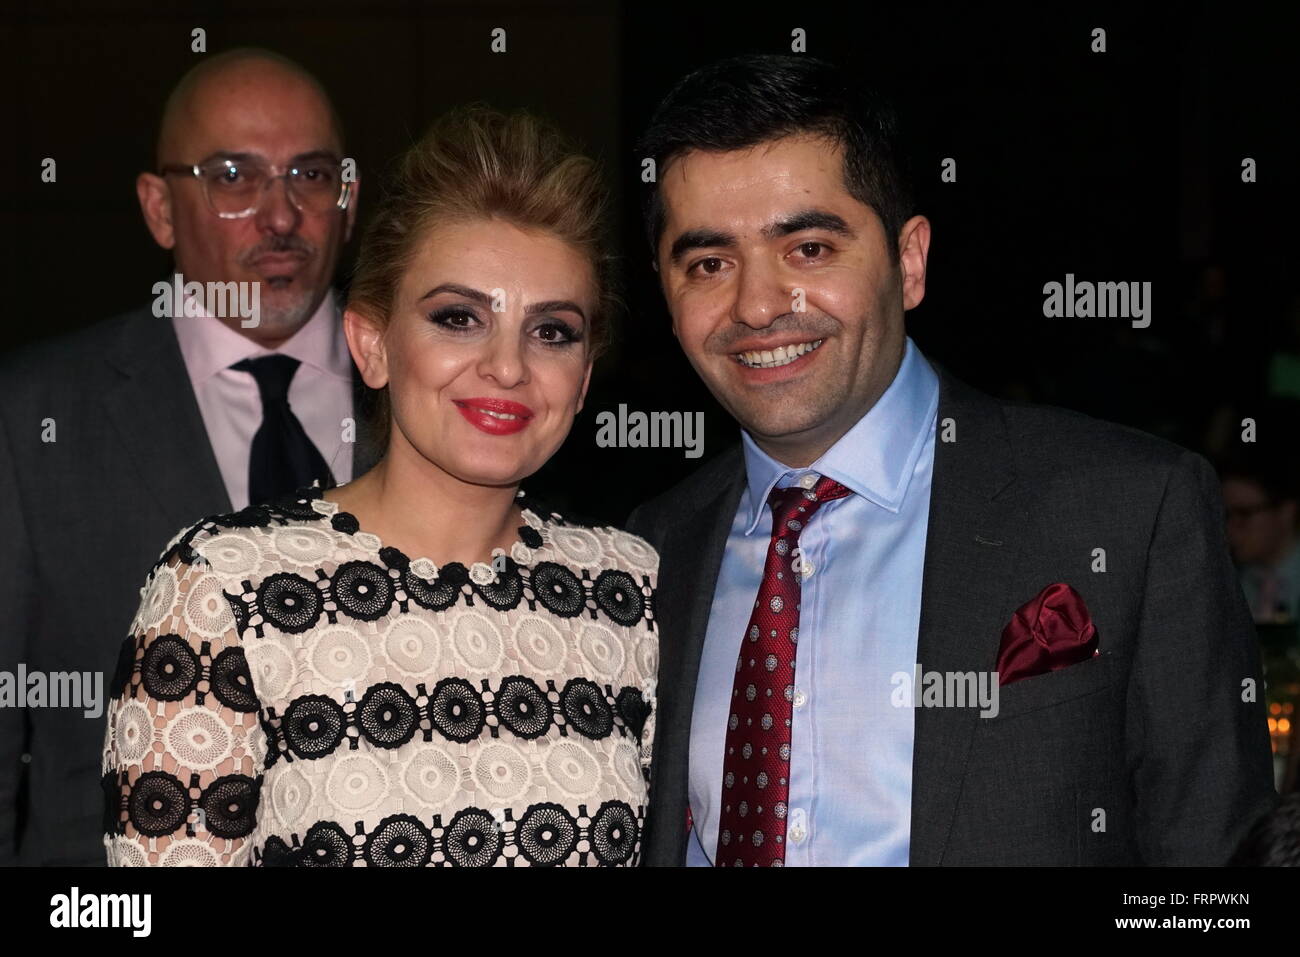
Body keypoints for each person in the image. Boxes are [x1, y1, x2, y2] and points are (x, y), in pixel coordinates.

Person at [626, 54, 1278, 866]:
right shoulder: (646, 555)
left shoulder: (1130, 509)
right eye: (709, 264)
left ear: (909, 262)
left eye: (810, 249)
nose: (759, 305)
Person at [100, 105, 659, 867]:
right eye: (458, 317)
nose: (507, 366)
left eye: (552, 330)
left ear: (585, 375)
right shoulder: (223, 587)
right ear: (372, 344)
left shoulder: (633, 587)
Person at [0, 48, 369, 865]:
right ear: (160, 209)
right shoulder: (32, 416)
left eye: (310, 174)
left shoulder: (439, 393)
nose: (281, 216)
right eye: (234, 175)